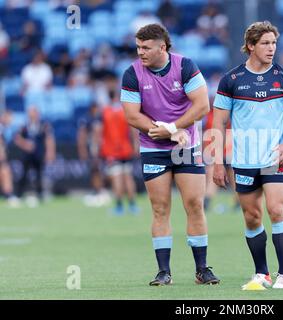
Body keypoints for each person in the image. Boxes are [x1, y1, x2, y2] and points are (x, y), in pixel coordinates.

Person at [212, 21, 283, 289]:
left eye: (274, 43)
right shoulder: (231, 80)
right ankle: (261, 273)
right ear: (251, 46)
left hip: (274, 158)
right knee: (252, 217)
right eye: (265, 43)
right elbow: (218, 123)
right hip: (243, 160)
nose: (271, 48)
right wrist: (218, 162)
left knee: (277, 210)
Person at [121, 24, 220, 285]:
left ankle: (202, 269)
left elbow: (202, 106)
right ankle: (164, 271)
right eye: (138, 47)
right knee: (160, 208)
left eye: (145, 48)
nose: (140, 52)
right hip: (154, 148)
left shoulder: (185, 66)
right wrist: (164, 132)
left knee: (194, 205)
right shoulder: (132, 73)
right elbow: (132, 115)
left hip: (187, 146)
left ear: (162, 47)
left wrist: (175, 128)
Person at [100, 90, 139, 215]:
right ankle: (133, 205)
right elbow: (133, 130)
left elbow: (98, 131)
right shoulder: (125, 110)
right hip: (126, 148)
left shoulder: (105, 112)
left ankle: (119, 206)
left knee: (117, 177)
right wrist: (136, 145)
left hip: (111, 150)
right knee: (128, 177)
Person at [14, 106, 55, 205]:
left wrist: (50, 152)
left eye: (33, 112)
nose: (31, 114)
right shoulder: (24, 126)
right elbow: (17, 138)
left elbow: (49, 139)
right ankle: (18, 195)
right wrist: (25, 144)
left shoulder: (43, 125)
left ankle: (40, 195)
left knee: (39, 175)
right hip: (27, 155)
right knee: (23, 174)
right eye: (30, 112)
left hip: (39, 154)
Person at [77, 103, 109, 207]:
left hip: (103, 147)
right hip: (93, 148)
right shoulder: (87, 120)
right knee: (94, 170)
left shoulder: (101, 118)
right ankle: (97, 191)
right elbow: (82, 135)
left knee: (103, 170)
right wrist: (83, 150)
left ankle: (101, 190)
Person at [0, 110, 19, 207]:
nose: (10, 120)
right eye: (8, 118)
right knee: (5, 171)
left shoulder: (7, 129)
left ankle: (8, 195)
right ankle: (9, 196)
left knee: (5, 172)